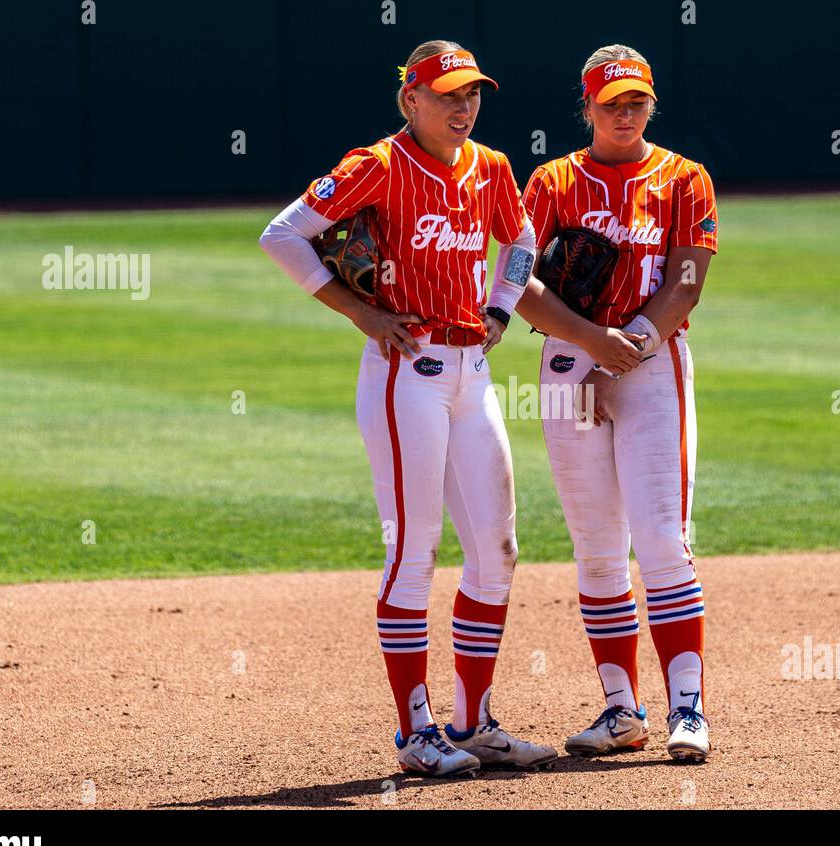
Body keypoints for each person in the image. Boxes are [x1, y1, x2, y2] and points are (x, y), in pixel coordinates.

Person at [259, 40, 636, 776]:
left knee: (496, 550)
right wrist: (359, 313)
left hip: (471, 372)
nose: (463, 107)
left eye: (472, 94)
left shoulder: (491, 166)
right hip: (408, 373)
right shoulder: (376, 165)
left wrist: (500, 307)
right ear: (412, 100)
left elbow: (522, 238)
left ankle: (473, 723)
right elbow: (282, 236)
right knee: (414, 551)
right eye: (448, 94)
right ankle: (414, 734)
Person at [515, 44, 719, 762]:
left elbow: (686, 284)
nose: (626, 114)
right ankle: (619, 711)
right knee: (598, 548)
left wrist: (620, 349)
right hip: (569, 364)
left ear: (651, 104)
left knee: (662, 537)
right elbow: (518, 280)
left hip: (654, 363)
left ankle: (687, 709)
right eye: (612, 104)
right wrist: (589, 344)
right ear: (588, 107)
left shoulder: (685, 179)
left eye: (637, 101)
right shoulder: (551, 181)